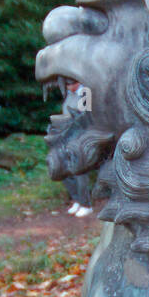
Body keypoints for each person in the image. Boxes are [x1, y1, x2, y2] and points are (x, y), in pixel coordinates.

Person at [61, 79, 96, 217]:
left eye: (70, 84)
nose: (68, 87)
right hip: (67, 136)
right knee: (64, 170)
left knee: (79, 170)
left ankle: (86, 204)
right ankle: (76, 199)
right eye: (66, 84)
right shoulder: (70, 94)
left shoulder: (85, 93)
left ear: (77, 82)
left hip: (82, 136)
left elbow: (85, 118)